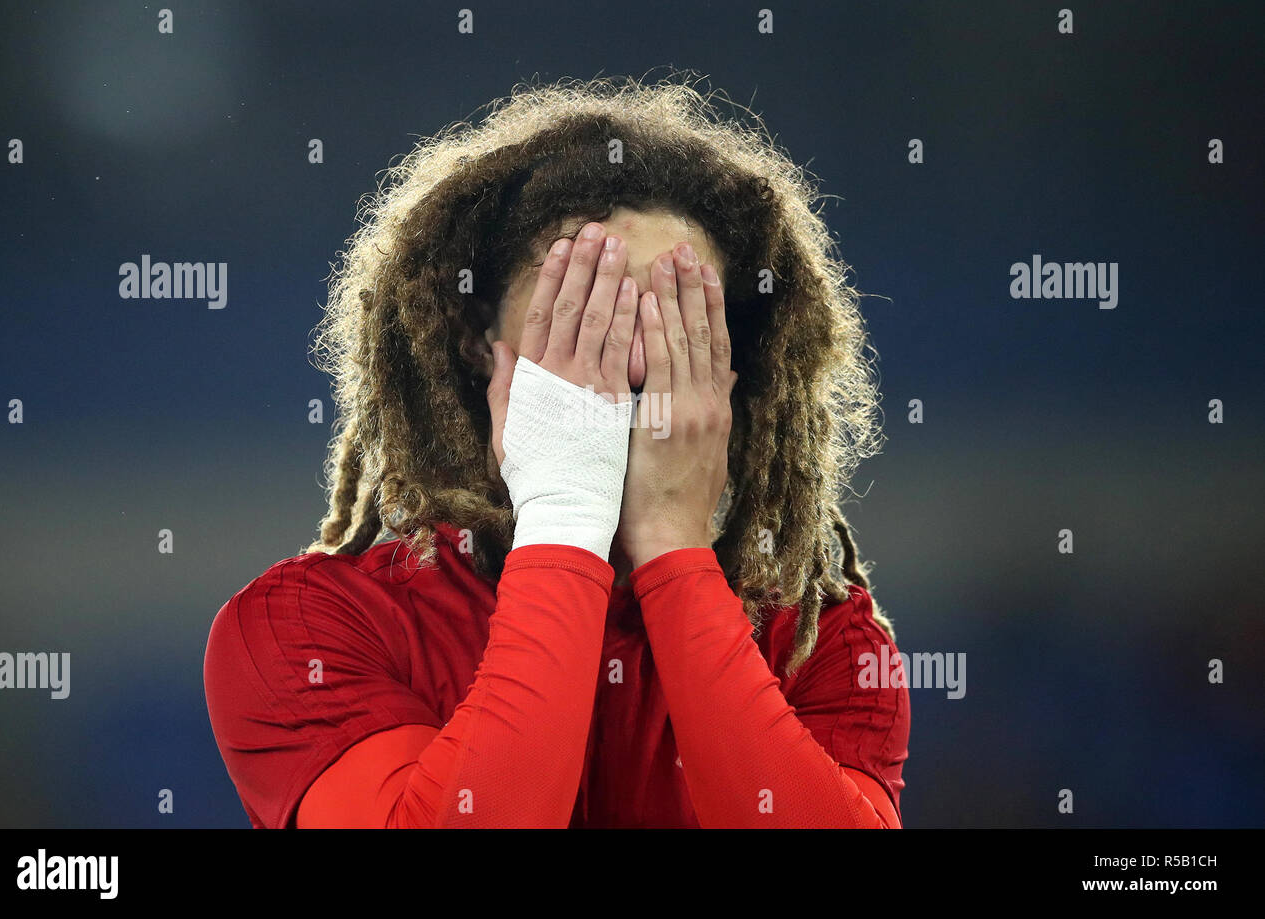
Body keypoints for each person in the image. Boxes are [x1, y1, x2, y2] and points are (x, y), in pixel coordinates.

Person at [203, 74, 909, 828]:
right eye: (582, 313)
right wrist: (565, 514)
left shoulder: (826, 640)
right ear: (479, 339)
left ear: (735, 365)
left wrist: (674, 545)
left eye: (678, 319)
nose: (630, 362)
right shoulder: (309, 625)